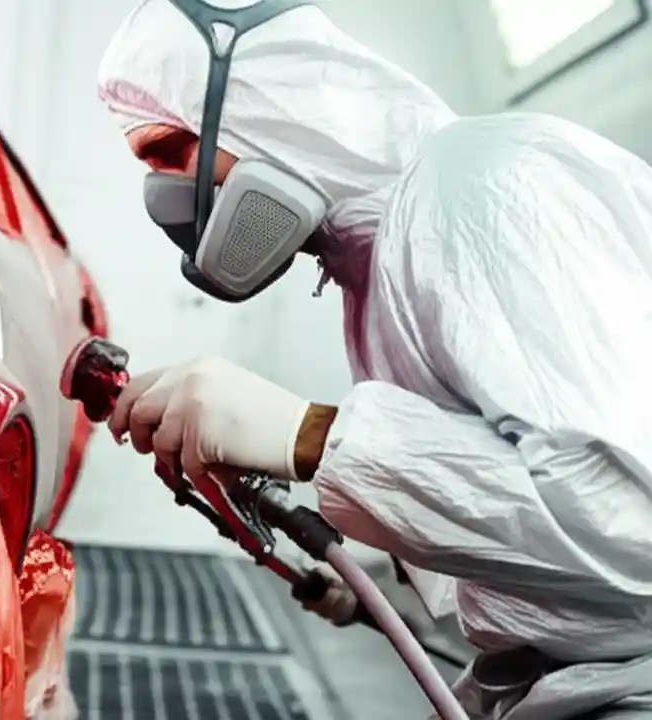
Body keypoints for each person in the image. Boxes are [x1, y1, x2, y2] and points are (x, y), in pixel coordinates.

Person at [95, 1, 652, 718]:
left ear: (265, 107)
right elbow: (512, 536)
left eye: (171, 151)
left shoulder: (479, 185)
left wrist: (314, 436)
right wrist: (380, 594)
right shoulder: (379, 258)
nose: (169, 197)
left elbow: (628, 523)